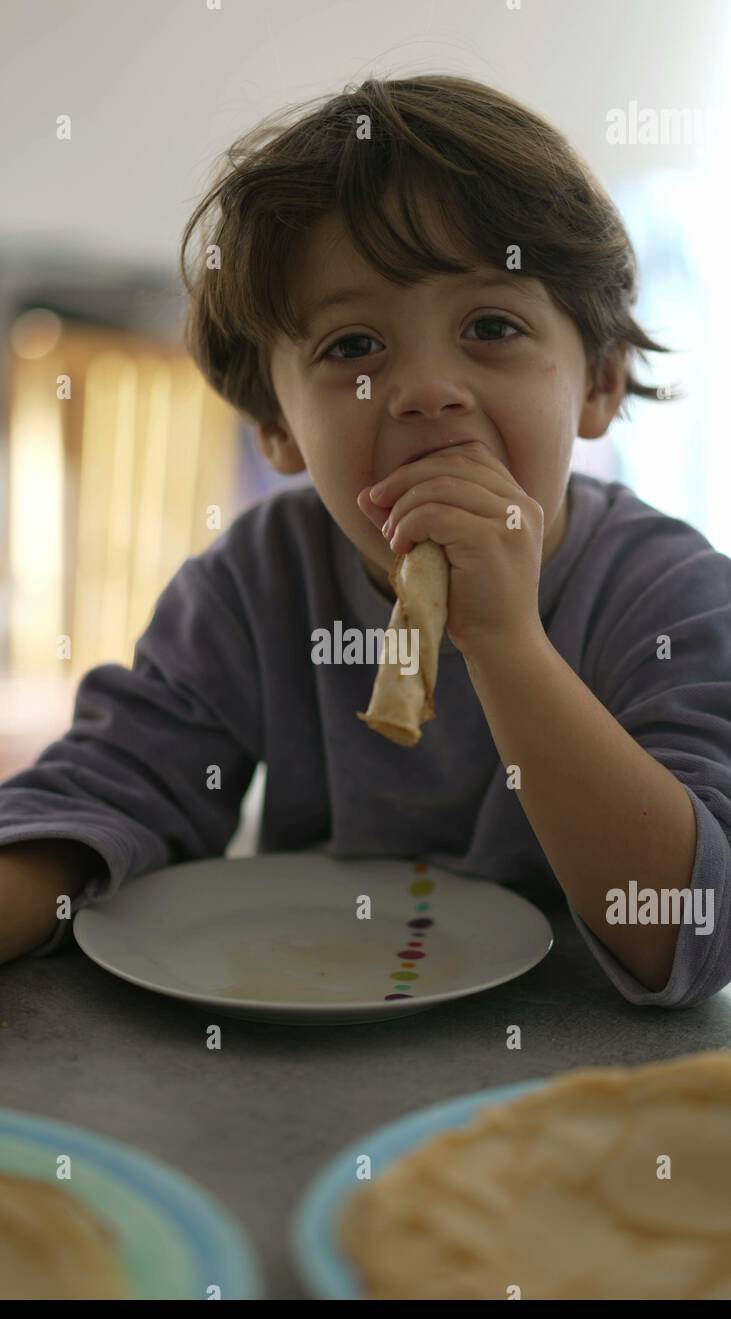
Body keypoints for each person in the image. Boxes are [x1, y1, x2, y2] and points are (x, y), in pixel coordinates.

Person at [1, 75, 729, 1008]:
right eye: (351, 348)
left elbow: (690, 934)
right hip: (303, 1059)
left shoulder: (668, 595)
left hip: (581, 1090)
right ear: (277, 428)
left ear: (597, 384)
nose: (425, 388)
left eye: (491, 326)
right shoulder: (254, 586)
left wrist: (505, 642)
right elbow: (105, 798)